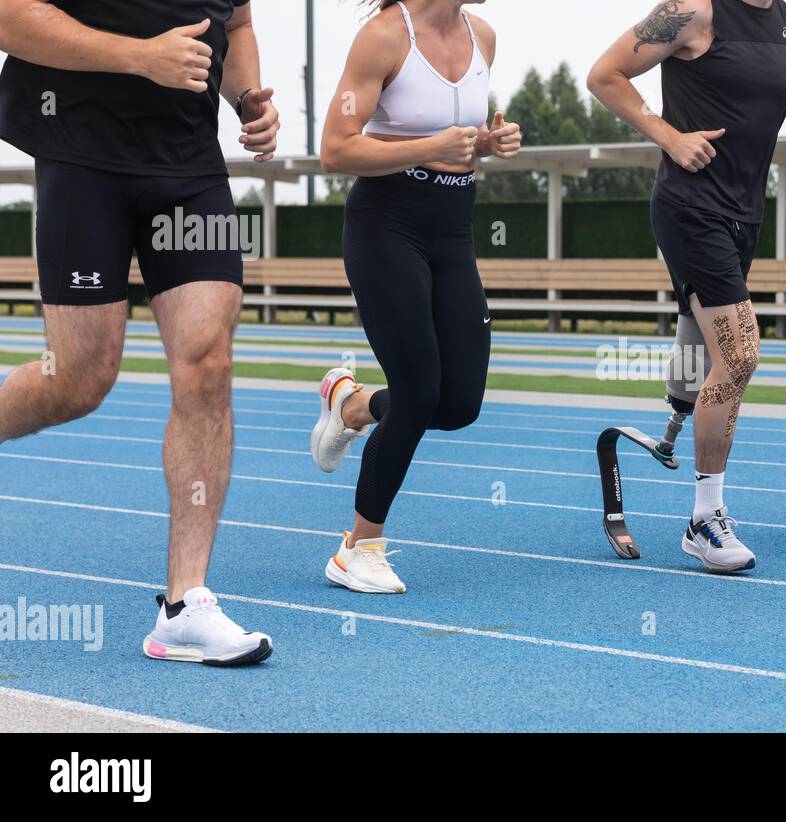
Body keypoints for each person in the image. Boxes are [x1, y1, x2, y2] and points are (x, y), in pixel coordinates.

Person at [0, 0, 279, 665]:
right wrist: (139, 56)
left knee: (208, 360)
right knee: (78, 379)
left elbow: (235, 23)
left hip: (189, 166)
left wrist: (246, 97)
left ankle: (185, 605)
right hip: (81, 153)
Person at [588, 0, 786, 574]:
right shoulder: (691, 11)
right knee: (740, 353)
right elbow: (604, 74)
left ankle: (676, 422)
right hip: (689, 206)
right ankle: (705, 519)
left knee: (705, 349)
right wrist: (669, 136)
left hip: (743, 214)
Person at [312, 0, 521, 594]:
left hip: (452, 229)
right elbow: (336, 149)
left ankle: (351, 405)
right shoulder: (382, 37)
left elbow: (458, 142)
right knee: (418, 391)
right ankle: (358, 548)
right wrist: (427, 149)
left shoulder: (483, 35)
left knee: (457, 404)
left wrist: (486, 144)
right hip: (386, 226)